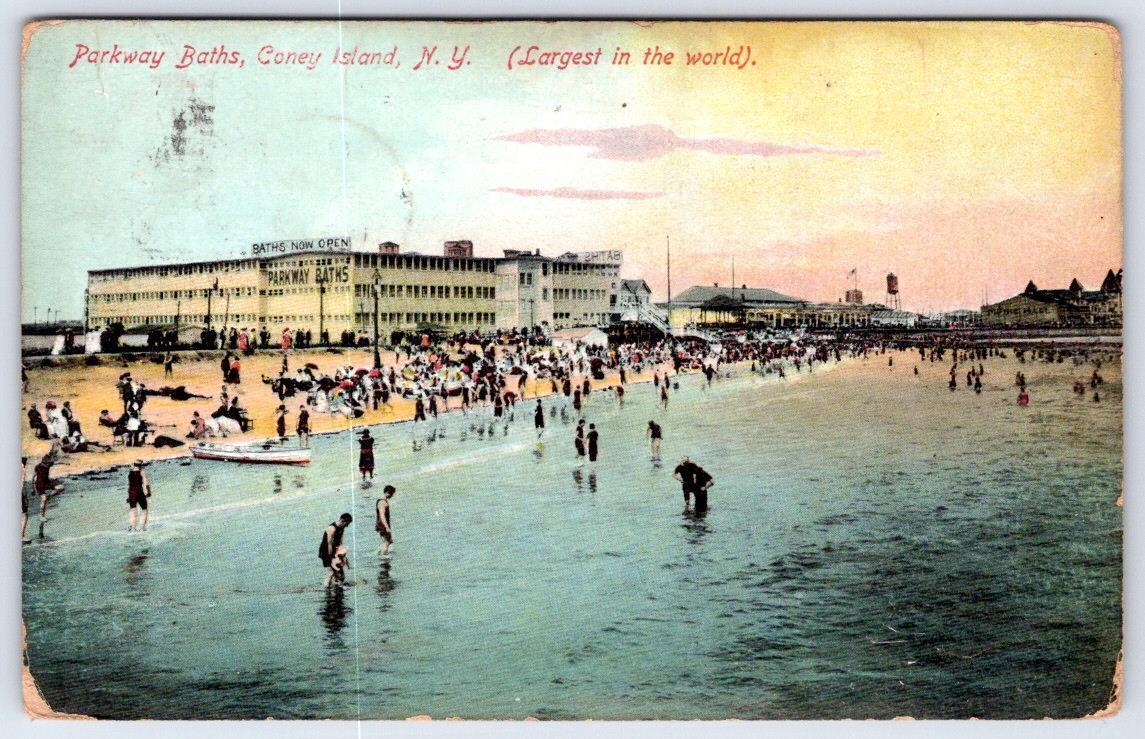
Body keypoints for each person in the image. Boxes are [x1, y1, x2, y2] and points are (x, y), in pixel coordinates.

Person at [319, 513, 353, 587]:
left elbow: (340, 542)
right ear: (342, 521)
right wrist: (331, 558)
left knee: (341, 573)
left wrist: (342, 555)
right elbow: (329, 544)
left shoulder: (342, 528)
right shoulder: (332, 529)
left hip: (335, 550)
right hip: (326, 551)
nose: (347, 526)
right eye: (347, 524)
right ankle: (326, 588)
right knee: (330, 571)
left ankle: (336, 585)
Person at [126, 460, 151, 532]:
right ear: (140, 465)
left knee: (133, 510)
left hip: (131, 493)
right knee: (144, 509)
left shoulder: (130, 472)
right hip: (139, 493)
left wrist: (129, 497)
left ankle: (133, 528)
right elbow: (146, 482)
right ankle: (142, 527)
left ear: (134, 464)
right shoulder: (142, 471)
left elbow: (130, 484)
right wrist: (149, 492)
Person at [375, 484, 396, 554]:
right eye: (391, 494)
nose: (392, 495)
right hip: (383, 525)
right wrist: (387, 527)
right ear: (387, 492)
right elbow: (382, 516)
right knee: (388, 541)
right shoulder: (382, 502)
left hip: (382, 524)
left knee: (388, 541)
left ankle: (382, 553)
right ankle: (383, 556)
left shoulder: (383, 501)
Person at [20, 457, 30, 544]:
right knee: (24, 514)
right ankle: (21, 536)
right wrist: (25, 496)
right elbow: (23, 484)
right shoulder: (22, 468)